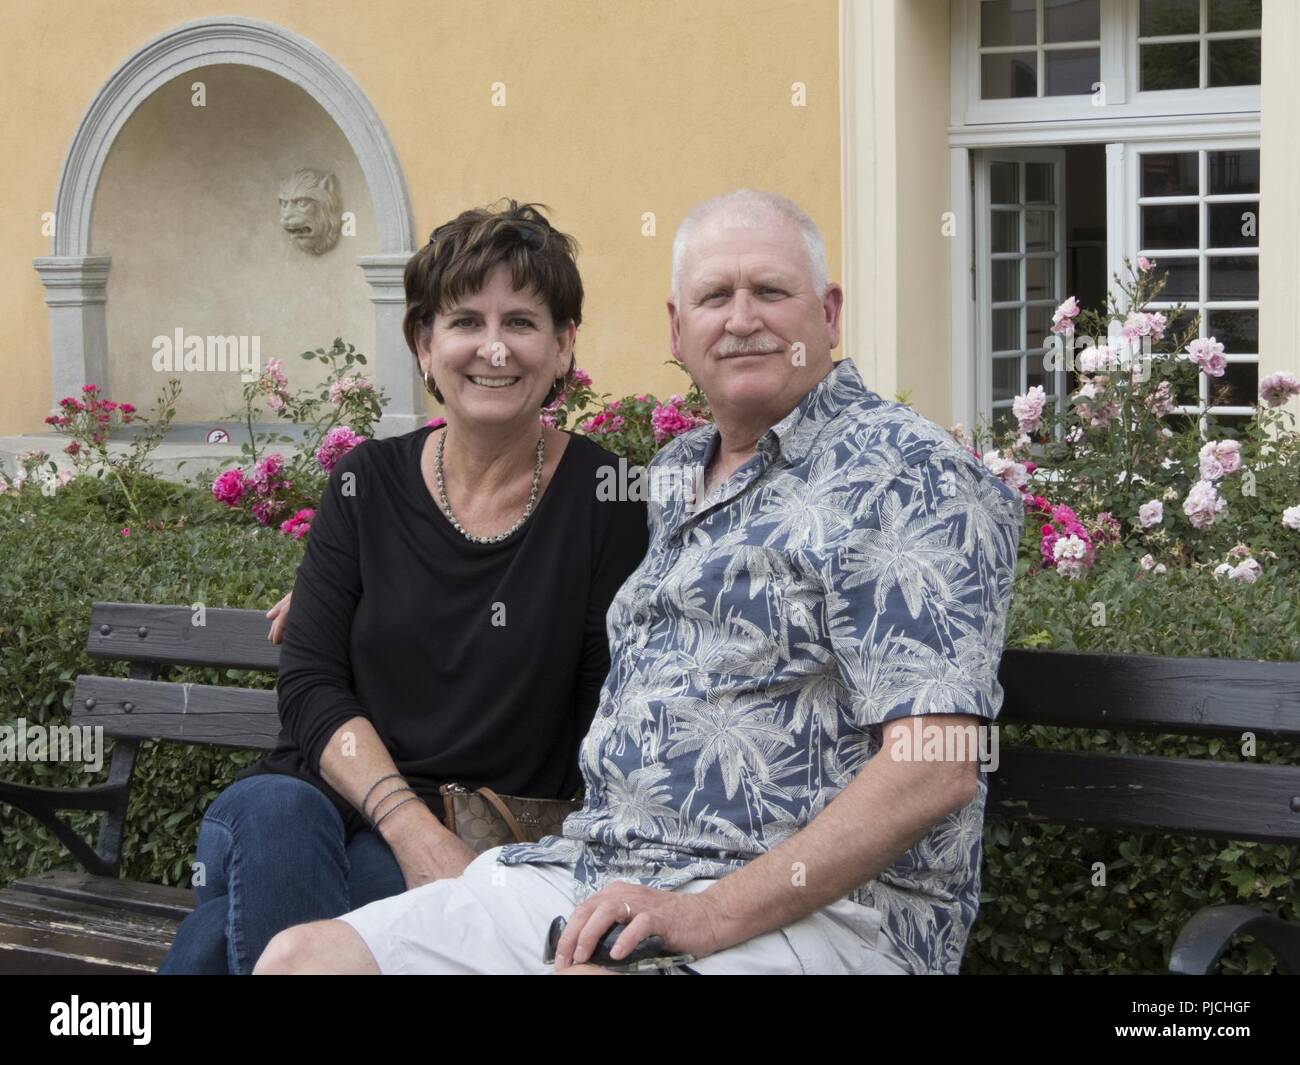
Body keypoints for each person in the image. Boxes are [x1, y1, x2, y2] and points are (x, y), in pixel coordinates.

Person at [255, 188, 1025, 976]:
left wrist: (702, 912)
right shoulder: (673, 478)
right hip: (600, 877)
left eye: (770, 291)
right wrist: (349, 595)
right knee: (304, 958)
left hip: (828, 920)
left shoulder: (910, 475)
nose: (741, 318)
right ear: (677, 330)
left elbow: (936, 763)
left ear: (828, 314)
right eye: (714, 297)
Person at [157, 201, 648, 973]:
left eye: (521, 321)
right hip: (313, 804)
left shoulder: (608, 500)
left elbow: (606, 710)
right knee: (277, 819)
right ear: (424, 344)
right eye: (463, 321)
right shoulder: (365, 484)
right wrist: (410, 827)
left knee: (218, 938)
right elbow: (312, 683)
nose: (493, 348)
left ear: (563, 347)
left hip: (483, 833)